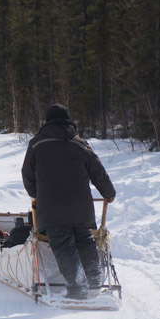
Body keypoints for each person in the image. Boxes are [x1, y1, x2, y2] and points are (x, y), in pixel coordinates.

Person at [21, 104, 116, 300]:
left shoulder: (36, 144)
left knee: (63, 245)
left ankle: (77, 287)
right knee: (84, 240)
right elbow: (97, 170)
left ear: (46, 122)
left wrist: (37, 195)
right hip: (81, 208)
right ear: (68, 121)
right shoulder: (80, 143)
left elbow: (27, 174)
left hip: (52, 209)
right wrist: (108, 192)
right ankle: (94, 281)